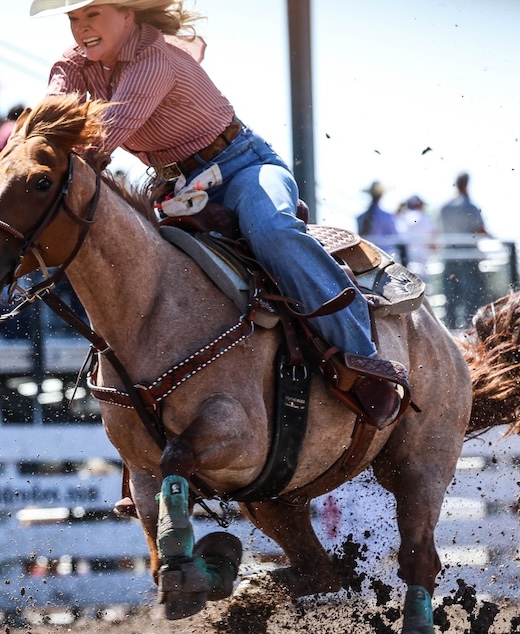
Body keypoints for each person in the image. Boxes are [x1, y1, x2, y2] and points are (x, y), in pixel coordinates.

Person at [36, 0, 405, 428]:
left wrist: (42, 167)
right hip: (178, 187)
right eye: (74, 19)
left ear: (127, 15)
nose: (82, 28)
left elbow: (103, 136)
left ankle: (362, 357)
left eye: (92, 15)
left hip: (243, 167)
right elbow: (47, 120)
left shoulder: (154, 58)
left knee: (273, 232)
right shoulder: (71, 64)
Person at [439, 171, 491, 329]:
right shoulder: (470, 206)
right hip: (469, 257)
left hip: (449, 255)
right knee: (473, 295)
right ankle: (472, 328)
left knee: (451, 296)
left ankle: (450, 328)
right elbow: (480, 229)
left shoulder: (445, 207)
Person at [395, 194, 437, 280]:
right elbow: (433, 240)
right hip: (423, 262)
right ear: (418, 204)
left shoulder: (402, 218)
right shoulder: (425, 218)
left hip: (405, 262)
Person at [357, 181, 398, 254]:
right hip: (384, 255)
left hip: (367, 255)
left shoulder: (361, 217)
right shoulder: (387, 216)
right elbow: (394, 237)